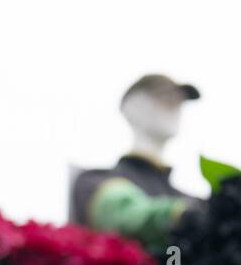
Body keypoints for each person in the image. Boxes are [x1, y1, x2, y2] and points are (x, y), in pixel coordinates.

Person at [69, 74, 202, 249]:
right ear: (133, 107)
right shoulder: (94, 181)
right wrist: (183, 215)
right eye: (164, 98)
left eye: (179, 101)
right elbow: (127, 217)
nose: (174, 106)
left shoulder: (188, 198)